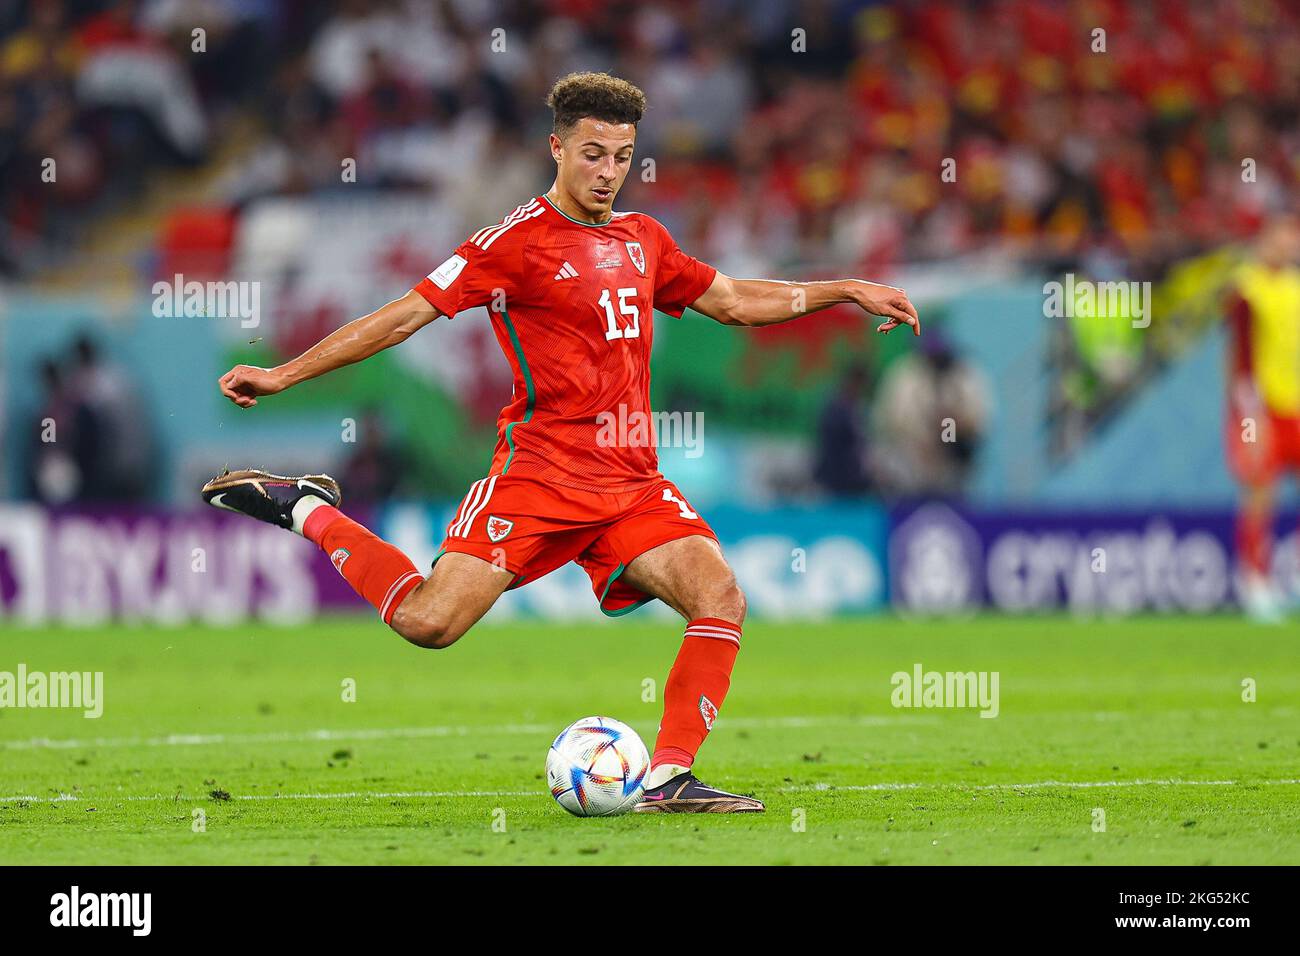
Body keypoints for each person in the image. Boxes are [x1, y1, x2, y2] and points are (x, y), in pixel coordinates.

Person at [203, 72, 919, 813]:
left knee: (721, 595)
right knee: (429, 622)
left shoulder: (645, 240)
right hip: (538, 476)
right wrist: (284, 374)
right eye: (593, 154)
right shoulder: (511, 244)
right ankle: (309, 509)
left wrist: (844, 288)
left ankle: (669, 776)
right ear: (557, 147)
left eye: (622, 156)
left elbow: (732, 301)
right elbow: (401, 317)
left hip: (632, 483)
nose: (608, 172)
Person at [1224, 214, 1300, 623]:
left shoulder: (1295, 287)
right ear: (1264, 239)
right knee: (1259, 498)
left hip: (1298, 407)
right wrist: (1249, 414)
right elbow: (1239, 357)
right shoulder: (1246, 288)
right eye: (1281, 237)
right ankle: (1254, 581)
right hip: (1262, 408)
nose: (1288, 246)